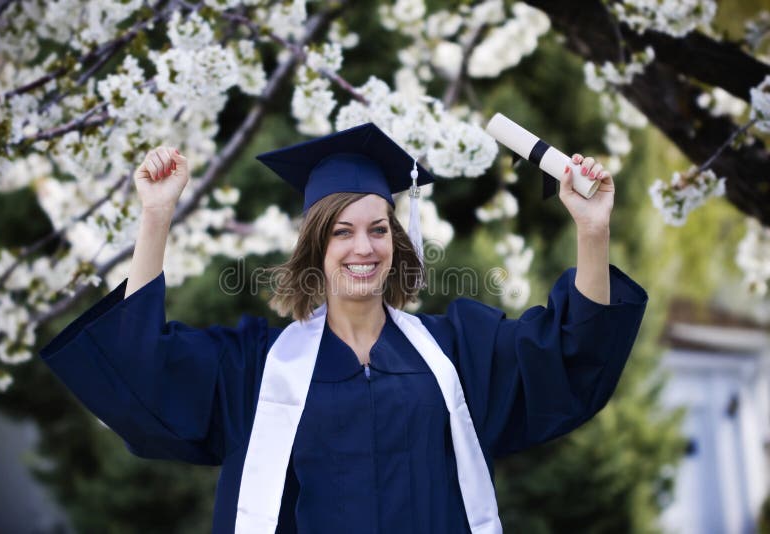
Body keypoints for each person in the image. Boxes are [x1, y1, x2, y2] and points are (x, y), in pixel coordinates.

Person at [39, 123, 648, 534]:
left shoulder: (457, 352)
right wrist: (156, 218)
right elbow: (142, 366)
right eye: (342, 231)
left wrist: (592, 230)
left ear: (397, 240)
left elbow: (571, 352)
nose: (364, 247)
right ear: (313, 247)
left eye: (379, 229)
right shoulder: (255, 367)